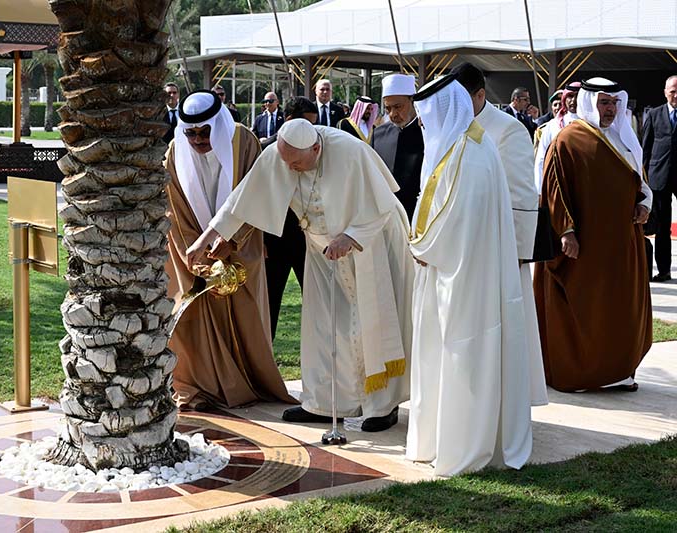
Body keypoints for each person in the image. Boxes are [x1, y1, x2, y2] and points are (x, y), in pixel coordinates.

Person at [186, 119, 415, 432]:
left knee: (372, 325)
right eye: (286, 161)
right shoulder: (281, 155)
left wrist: (350, 236)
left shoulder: (350, 152)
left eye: (297, 163)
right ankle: (323, 403)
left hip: (369, 244)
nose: (290, 169)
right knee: (323, 325)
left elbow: (381, 206)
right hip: (323, 249)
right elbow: (241, 200)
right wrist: (207, 236)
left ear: (317, 148)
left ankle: (382, 406)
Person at [406, 74, 532, 477]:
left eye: (426, 116)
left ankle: (463, 446)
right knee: (441, 357)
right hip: (448, 275)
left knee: (462, 356)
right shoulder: (460, 146)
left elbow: (456, 223)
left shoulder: (469, 153)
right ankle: (437, 439)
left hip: (464, 280)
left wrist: (418, 248)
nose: (423, 125)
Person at [163, 89, 295, 409]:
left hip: (241, 248)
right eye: (190, 133)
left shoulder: (244, 142)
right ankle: (199, 387)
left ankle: (248, 384)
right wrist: (201, 257)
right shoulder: (173, 153)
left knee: (244, 316)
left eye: (204, 131)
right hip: (191, 255)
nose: (197, 139)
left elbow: (258, 194)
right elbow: (175, 213)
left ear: (217, 124)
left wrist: (231, 242)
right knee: (195, 316)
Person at [534, 77, 652, 392]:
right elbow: (554, 189)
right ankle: (583, 374)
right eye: (603, 102)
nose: (610, 109)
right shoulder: (568, 140)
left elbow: (640, 181)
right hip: (585, 248)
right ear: (589, 103)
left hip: (623, 244)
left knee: (622, 309)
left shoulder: (624, 138)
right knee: (588, 310)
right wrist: (567, 231)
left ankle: (621, 371)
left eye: (614, 102)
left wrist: (645, 203)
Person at [453, 62, 548, 407]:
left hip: (501, 250)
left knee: (502, 331)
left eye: (463, 98)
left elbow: (522, 194)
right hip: (459, 251)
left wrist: (519, 250)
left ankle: (505, 402)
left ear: (480, 95)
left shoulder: (508, 129)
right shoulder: (451, 124)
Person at [260, 97, 313, 339]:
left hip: (308, 241)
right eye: (306, 124)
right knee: (268, 307)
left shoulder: (318, 151)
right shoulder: (266, 151)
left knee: (317, 304)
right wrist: (258, 239)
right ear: (289, 120)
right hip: (274, 242)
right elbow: (254, 198)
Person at [372, 74, 425, 218]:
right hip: (384, 216)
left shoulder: (427, 134)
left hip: (416, 216)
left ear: (412, 101)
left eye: (398, 107)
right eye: (388, 108)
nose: (393, 114)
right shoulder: (378, 134)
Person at [642, 75, 677, 282]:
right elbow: (645, 149)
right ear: (665, 92)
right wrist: (642, 177)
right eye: (672, 91)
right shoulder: (654, 115)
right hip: (659, 177)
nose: (676, 95)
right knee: (662, 227)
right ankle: (663, 270)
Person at [534, 81, 581, 191]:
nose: (573, 101)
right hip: (557, 185)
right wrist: (540, 191)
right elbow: (541, 159)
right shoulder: (552, 126)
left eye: (577, 96)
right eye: (570, 96)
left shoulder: (593, 125)